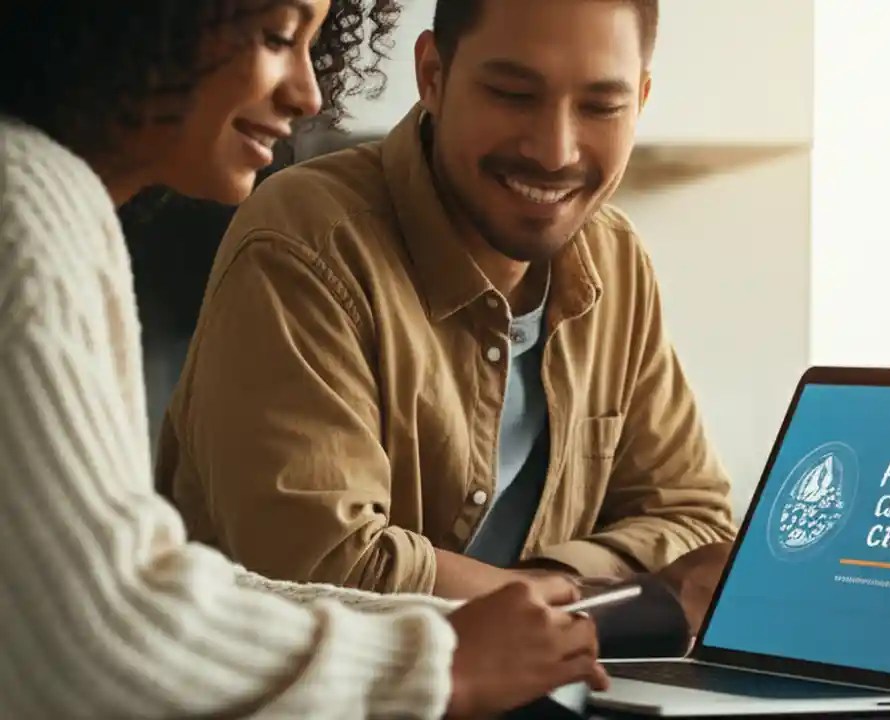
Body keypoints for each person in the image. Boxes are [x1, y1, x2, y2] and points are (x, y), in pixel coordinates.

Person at [0, 2, 608, 717]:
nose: (308, 92)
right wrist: (431, 668)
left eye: (315, 44)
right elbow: (101, 636)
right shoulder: (26, 204)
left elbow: (143, 591)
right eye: (277, 36)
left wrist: (439, 633)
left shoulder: (44, 196)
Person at [155, 0, 738, 602]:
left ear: (640, 101)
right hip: (320, 696)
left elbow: (698, 528)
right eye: (513, 94)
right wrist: (573, 601)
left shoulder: (614, 259)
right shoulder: (307, 240)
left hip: (551, 692)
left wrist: (553, 585)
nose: (555, 151)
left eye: (600, 107)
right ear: (433, 76)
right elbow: (325, 566)